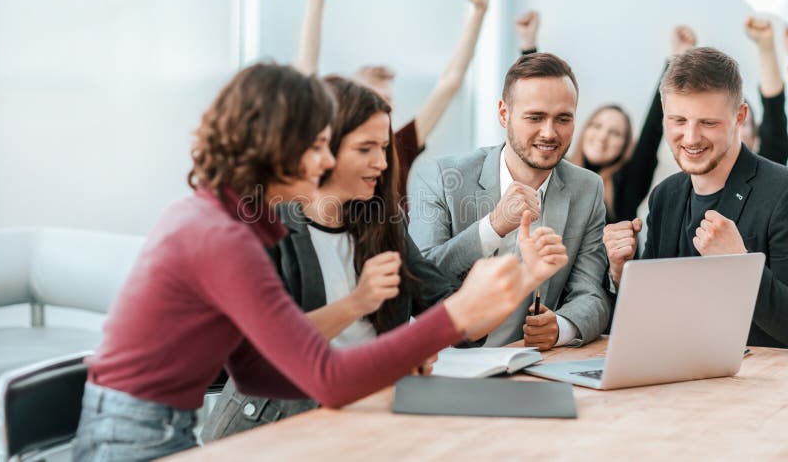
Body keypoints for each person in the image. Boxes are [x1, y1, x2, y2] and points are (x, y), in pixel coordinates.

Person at [72, 62, 566, 460]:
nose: (325, 163)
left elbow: (256, 370)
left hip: (156, 425)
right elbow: (323, 378)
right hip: (132, 437)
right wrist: (451, 315)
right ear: (275, 147)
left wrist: (394, 359)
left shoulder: (227, 220)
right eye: (314, 148)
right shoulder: (221, 236)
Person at [201, 76, 563, 440]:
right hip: (271, 427)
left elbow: (459, 322)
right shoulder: (266, 226)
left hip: (363, 418)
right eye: (365, 149)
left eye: (383, 147)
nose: (380, 162)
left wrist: (526, 276)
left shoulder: (384, 224)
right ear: (322, 148)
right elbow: (268, 349)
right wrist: (359, 303)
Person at [409, 53, 612, 350]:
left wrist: (561, 327)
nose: (549, 132)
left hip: (533, 366)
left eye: (563, 118)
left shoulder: (587, 187)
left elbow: (592, 293)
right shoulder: (442, 176)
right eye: (535, 117)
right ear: (504, 114)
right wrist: (493, 227)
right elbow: (420, 279)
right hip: (449, 361)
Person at [603, 47, 788, 349]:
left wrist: (739, 265)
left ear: (739, 116)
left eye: (708, 123)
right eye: (679, 121)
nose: (690, 138)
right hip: (674, 376)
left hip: (759, 386)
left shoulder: (782, 192)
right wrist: (623, 272)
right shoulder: (665, 196)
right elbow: (651, 316)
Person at [295, 0, 489, 201]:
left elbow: (450, 82)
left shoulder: (399, 146)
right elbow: (306, 83)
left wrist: (479, 12)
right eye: (375, 100)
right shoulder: (328, 152)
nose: (378, 163)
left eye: (388, 102)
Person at [516, 11, 696, 223]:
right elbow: (537, 102)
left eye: (615, 133)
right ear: (584, 130)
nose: (602, 137)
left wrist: (677, 58)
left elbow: (652, 129)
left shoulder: (629, 181)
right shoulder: (555, 170)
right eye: (597, 126)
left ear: (624, 146)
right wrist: (528, 45)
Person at [742, 16, 788, 164]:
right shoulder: (685, 185)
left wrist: (765, 46)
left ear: (755, 135)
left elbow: (773, 110)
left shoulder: (767, 172)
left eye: (742, 123)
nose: (733, 132)